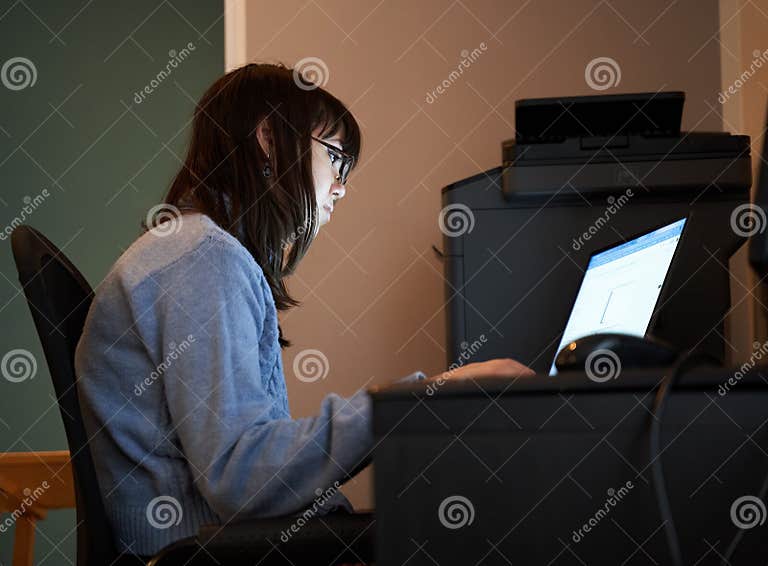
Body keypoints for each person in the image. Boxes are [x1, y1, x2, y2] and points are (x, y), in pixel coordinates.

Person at [74, 62, 534, 560]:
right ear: (269, 138)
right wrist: (415, 402)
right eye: (336, 159)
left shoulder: (190, 249)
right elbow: (239, 476)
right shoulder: (202, 258)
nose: (341, 186)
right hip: (205, 552)